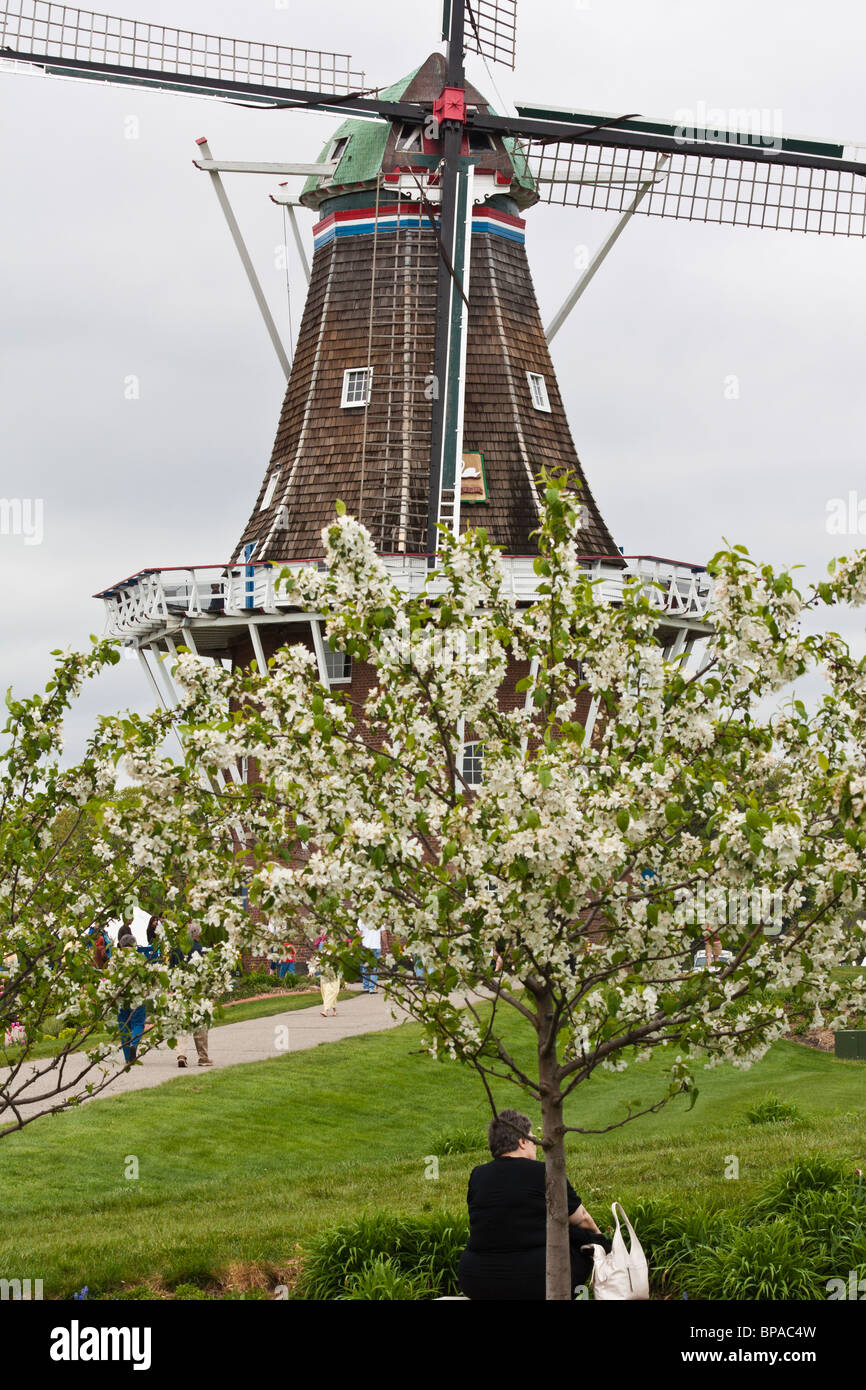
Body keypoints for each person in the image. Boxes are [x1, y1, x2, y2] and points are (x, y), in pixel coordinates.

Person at [457, 1108, 611, 1301]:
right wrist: (603, 1244)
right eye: (533, 1139)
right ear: (522, 1141)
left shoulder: (477, 1175)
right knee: (585, 1240)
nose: (537, 1145)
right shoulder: (544, 1172)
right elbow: (582, 1218)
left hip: (476, 1280)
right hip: (537, 1280)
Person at [176, 925, 213, 1067]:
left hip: (181, 989)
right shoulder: (203, 950)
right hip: (198, 991)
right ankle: (203, 1057)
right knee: (200, 1023)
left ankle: (181, 1055)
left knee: (182, 1024)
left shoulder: (177, 950)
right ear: (199, 934)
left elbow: (172, 970)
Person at [116, 930, 146, 1065]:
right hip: (137, 995)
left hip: (121, 997)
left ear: (121, 945)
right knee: (138, 1023)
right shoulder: (140, 958)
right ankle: (134, 1043)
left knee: (124, 1025)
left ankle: (128, 1057)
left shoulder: (116, 959)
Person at [314, 933, 341, 1017]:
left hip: (333, 975)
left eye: (327, 941)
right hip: (324, 975)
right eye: (325, 941)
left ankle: (325, 1010)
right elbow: (316, 961)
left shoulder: (335, 952)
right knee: (325, 992)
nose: (326, 942)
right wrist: (312, 971)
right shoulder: (322, 952)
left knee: (331, 992)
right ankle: (335, 1010)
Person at [359, 922, 381, 993]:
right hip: (376, 945)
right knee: (374, 967)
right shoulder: (379, 918)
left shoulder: (361, 919)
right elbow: (383, 933)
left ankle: (366, 987)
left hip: (365, 946)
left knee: (365, 967)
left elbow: (359, 933)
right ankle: (372, 988)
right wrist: (386, 945)